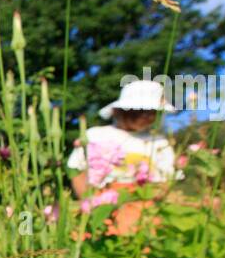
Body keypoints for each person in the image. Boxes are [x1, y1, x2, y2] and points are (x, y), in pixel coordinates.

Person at [66, 79, 180, 235]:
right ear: (118, 111)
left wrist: (140, 204)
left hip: (142, 205)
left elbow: (164, 181)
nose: (145, 116)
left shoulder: (160, 142)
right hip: (98, 199)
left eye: (151, 111)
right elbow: (76, 170)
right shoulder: (96, 135)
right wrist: (91, 201)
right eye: (139, 110)